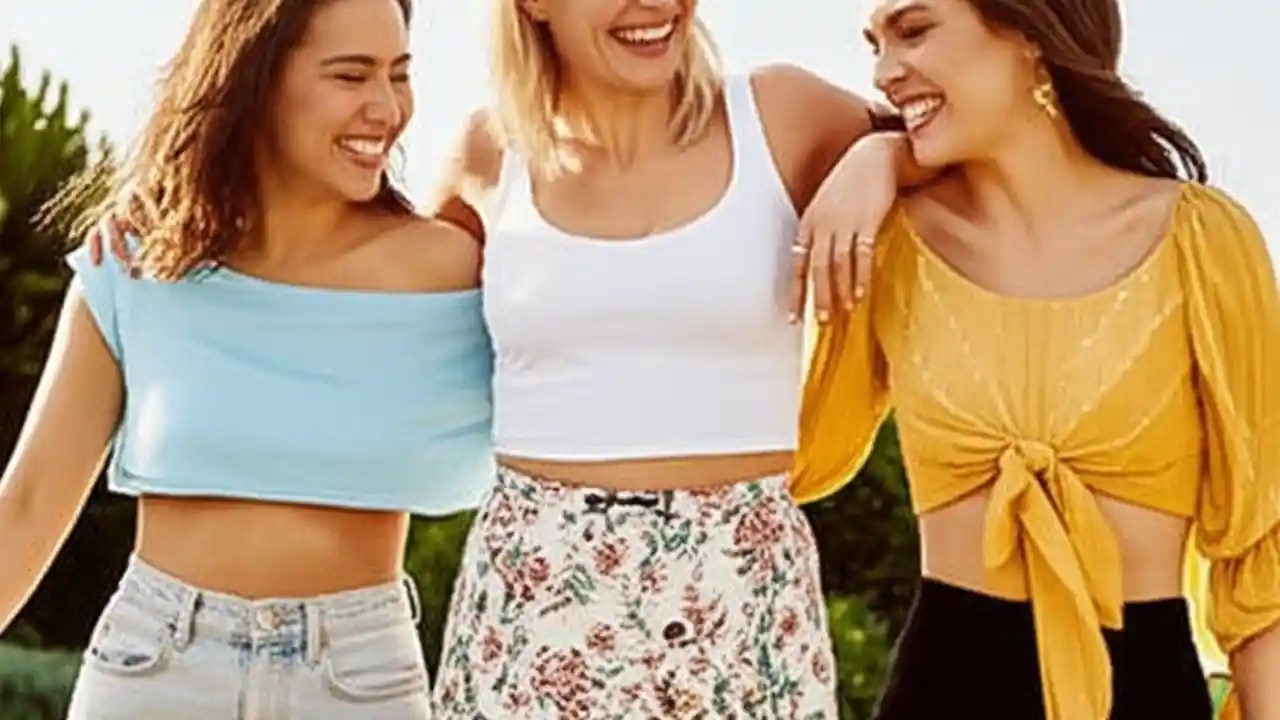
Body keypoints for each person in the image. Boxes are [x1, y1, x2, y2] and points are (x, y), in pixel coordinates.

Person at [424, 0, 920, 717]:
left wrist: (884, 156)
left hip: (741, 596)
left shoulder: (781, 114)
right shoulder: (488, 151)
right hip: (538, 599)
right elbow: (390, 301)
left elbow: (972, 145)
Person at [0, 0, 493, 717]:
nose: (385, 108)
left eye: (399, 74)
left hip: (359, 681)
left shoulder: (449, 270)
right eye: (350, 76)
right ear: (255, 79)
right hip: (153, 668)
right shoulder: (139, 266)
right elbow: (29, 503)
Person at [793, 0, 1280, 719]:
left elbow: (1261, 552)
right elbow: (772, 462)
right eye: (874, 44)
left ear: (1030, 34)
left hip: (1145, 693)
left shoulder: (1202, 242)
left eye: (914, 30)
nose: (884, 71)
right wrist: (874, 155)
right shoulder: (889, 242)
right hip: (942, 690)